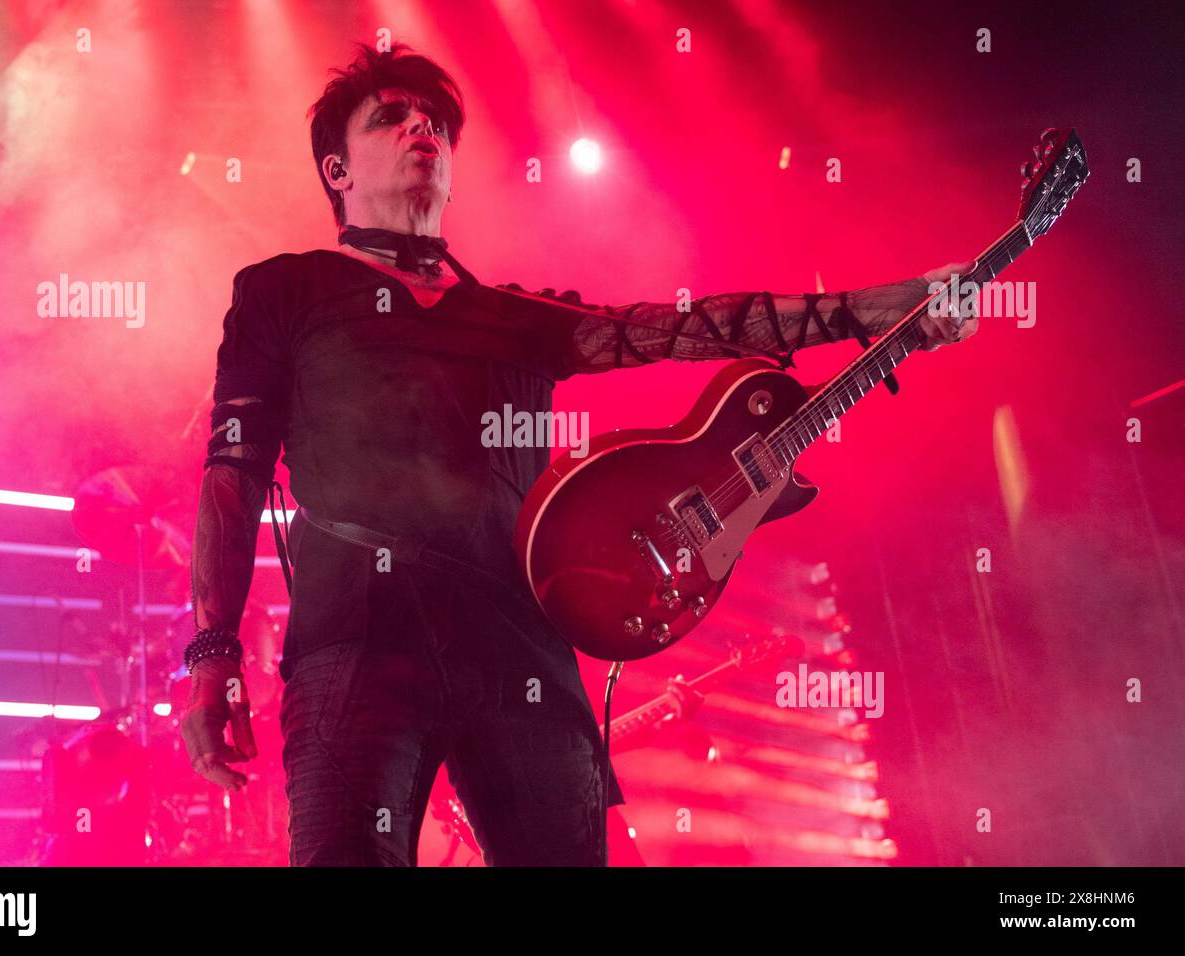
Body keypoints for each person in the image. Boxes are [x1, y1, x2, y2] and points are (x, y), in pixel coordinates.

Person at [179, 42, 978, 867]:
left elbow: (681, 328)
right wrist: (212, 655)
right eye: (391, 117)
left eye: (438, 124)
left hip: (520, 641)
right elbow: (231, 476)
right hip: (357, 635)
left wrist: (883, 307)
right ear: (338, 172)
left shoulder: (515, 314)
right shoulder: (283, 290)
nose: (424, 127)